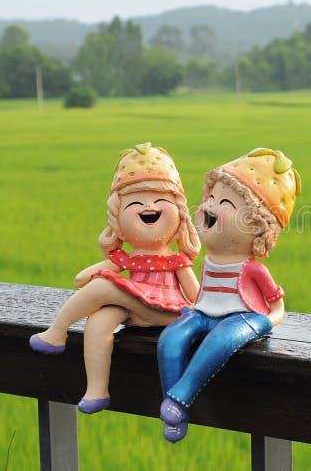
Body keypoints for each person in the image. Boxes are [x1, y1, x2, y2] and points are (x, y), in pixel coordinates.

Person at [29, 142, 201, 414]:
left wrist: (209, 310)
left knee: (104, 286)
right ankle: (97, 391)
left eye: (160, 201)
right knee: (99, 319)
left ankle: (57, 331)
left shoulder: (176, 260)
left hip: (167, 310)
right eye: (136, 202)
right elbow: (88, 274)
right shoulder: (129, 258)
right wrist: (89, 275)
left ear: (179, 212)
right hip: (135, 308)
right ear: (117, 218)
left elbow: (196, 295)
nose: (149, 207)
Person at [157, 147, 300, 442]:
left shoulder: (251, 268)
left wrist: (267, 322)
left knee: (219, 341)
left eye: (224, 202)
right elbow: (204, 293)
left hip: (241, 318)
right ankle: (173, 412)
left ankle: (180, 397)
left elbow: (277, 304)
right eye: (210, 197)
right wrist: (192, 311)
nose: (209, 206)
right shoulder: (210, 260)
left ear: (257, 225)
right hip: (204, 313)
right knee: (170, 339)